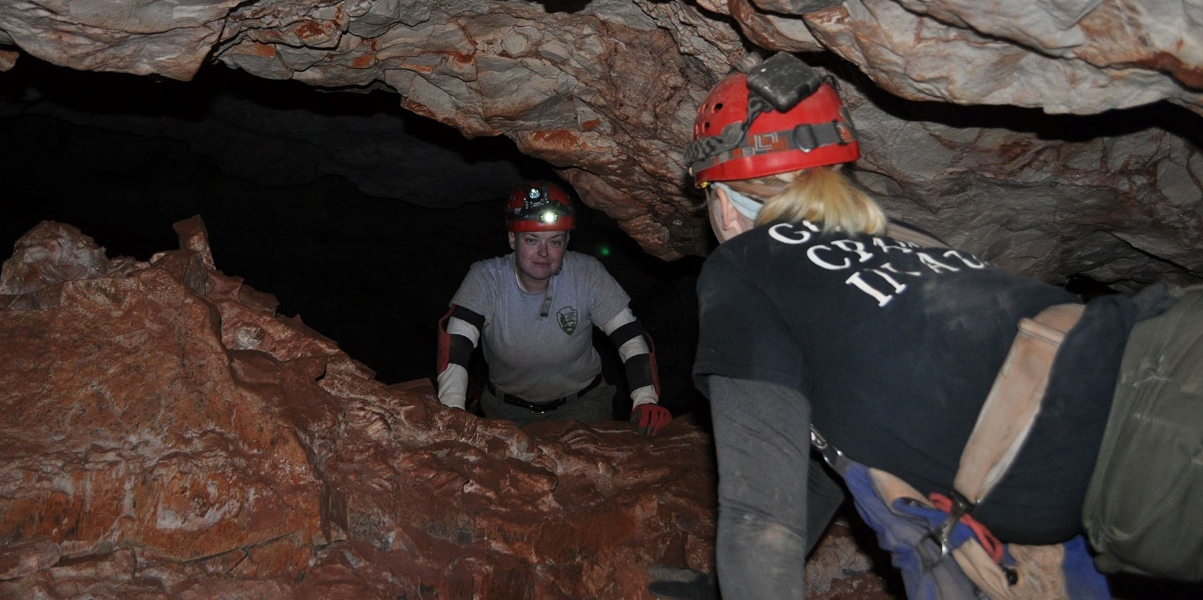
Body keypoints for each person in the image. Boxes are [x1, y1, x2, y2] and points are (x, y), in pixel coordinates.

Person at [677, 52, 1203, 600]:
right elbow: (817, 457)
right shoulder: (902, 240)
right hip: (1168, 344)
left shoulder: (740, 266)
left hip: (1154, 434)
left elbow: (760, 515)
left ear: (724, 203)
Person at [436, 181, 672, 435]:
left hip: (583, 407)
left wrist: (645, 399)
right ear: (513, 239)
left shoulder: (587, 274)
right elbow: (457, 341)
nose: (543, 253)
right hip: (506, 413)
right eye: (532, 240)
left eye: (555, 242)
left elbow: (629, 336)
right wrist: (452, 408)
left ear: (567, 241)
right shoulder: (486, 278)